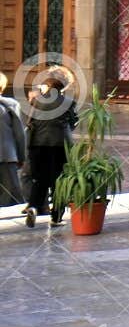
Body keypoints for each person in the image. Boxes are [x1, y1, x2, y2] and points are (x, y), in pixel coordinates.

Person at [22, 68, 76, 227]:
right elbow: (72, 124)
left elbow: (30, 122)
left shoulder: (37, 101)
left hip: (37, 145)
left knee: (40, 179)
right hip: (58, 146)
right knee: (58, 180)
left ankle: (33, 207)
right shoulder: (68, 102)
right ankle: (56, 217)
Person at [0, 73, 28, 209]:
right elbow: (19, 133)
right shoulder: (10, 104)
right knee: (12, 196)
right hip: (7, 155)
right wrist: (21, 156)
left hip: (6, 155)